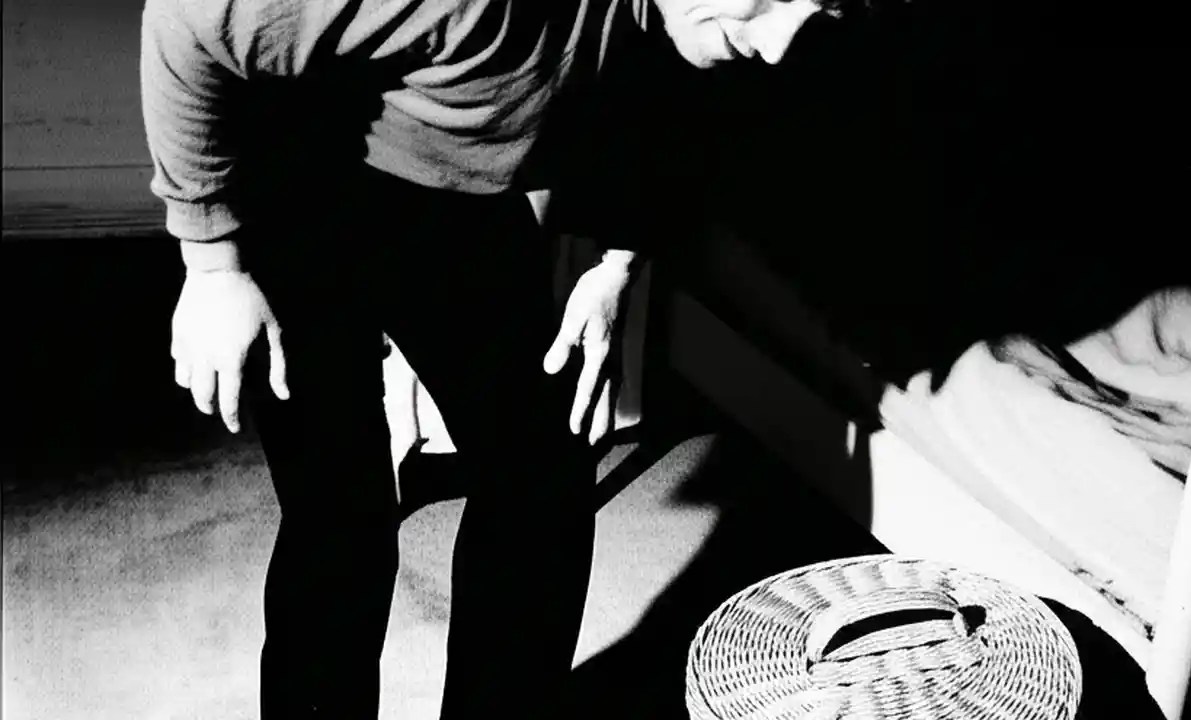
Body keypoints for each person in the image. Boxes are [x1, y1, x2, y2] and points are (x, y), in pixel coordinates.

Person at [139, 0, 844, 717]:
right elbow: (185, 20)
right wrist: (211, 267)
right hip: (295, 177)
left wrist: (615, 266)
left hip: (451, 198)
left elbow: (656, 104)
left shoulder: (698, 23)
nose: (781, 43)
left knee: (543, 472)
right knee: (338, 508)